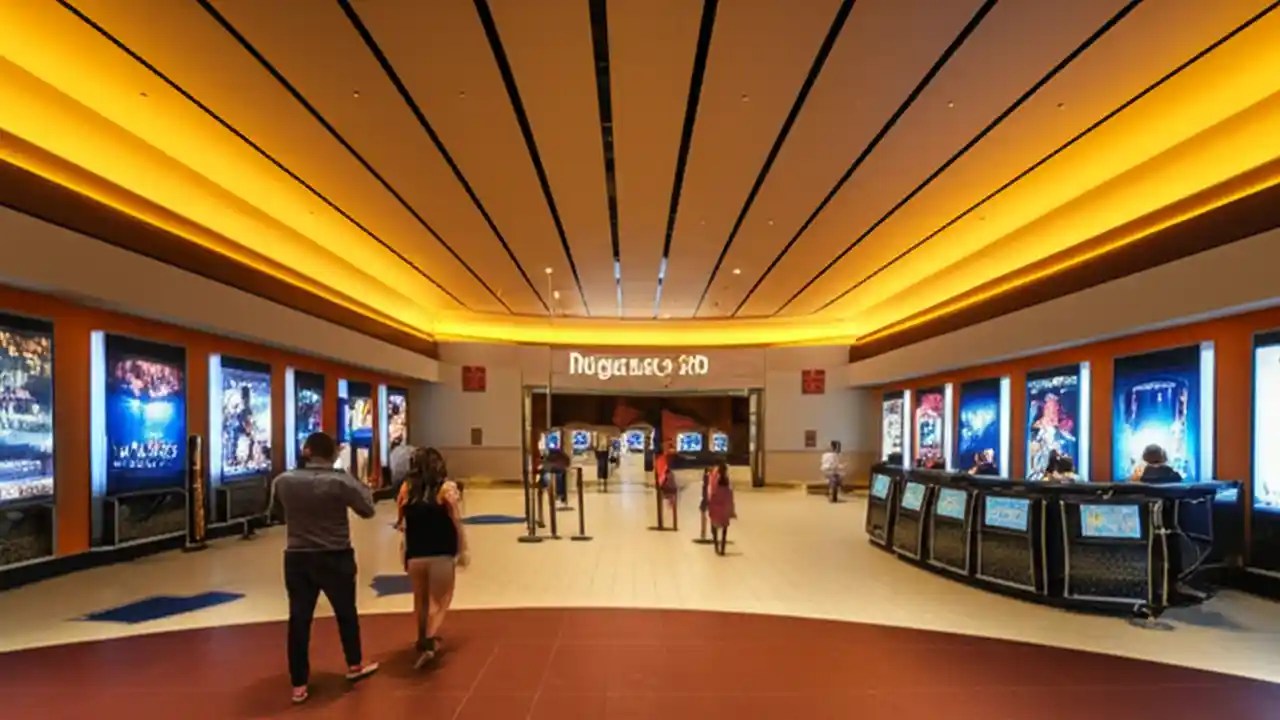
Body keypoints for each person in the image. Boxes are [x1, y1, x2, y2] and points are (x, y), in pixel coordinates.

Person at [267, 432, 379, 705]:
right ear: (333, 454)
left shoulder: (283, 481)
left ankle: (298, 684)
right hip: (335, 554)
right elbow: (368, 509)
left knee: (299, 619)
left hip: (297, 556)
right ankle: (354, 664)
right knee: (345, 612)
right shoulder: (340, 481)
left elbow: (275, 514)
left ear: (306, 452)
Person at [399, 447, 469, 670]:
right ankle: (429, 640)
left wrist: (405, 550)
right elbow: (456, 520)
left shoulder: (406, 489)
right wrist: (463, 548)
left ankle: (421, 637)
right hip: (441, 551)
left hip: (415, 552)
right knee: (442, 599)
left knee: (420, 599)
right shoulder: (446, 489)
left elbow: (402, 523)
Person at [707, 462, 736, 556]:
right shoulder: (727, 481)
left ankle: (716, 547)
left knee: (714, 527)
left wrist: (710, 506)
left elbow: (712, 493)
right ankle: (723, 548)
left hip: (716, 507)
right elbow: (730, 495)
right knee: (724, 529)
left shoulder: (715, 480)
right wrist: (731, 510)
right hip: (724, 507)